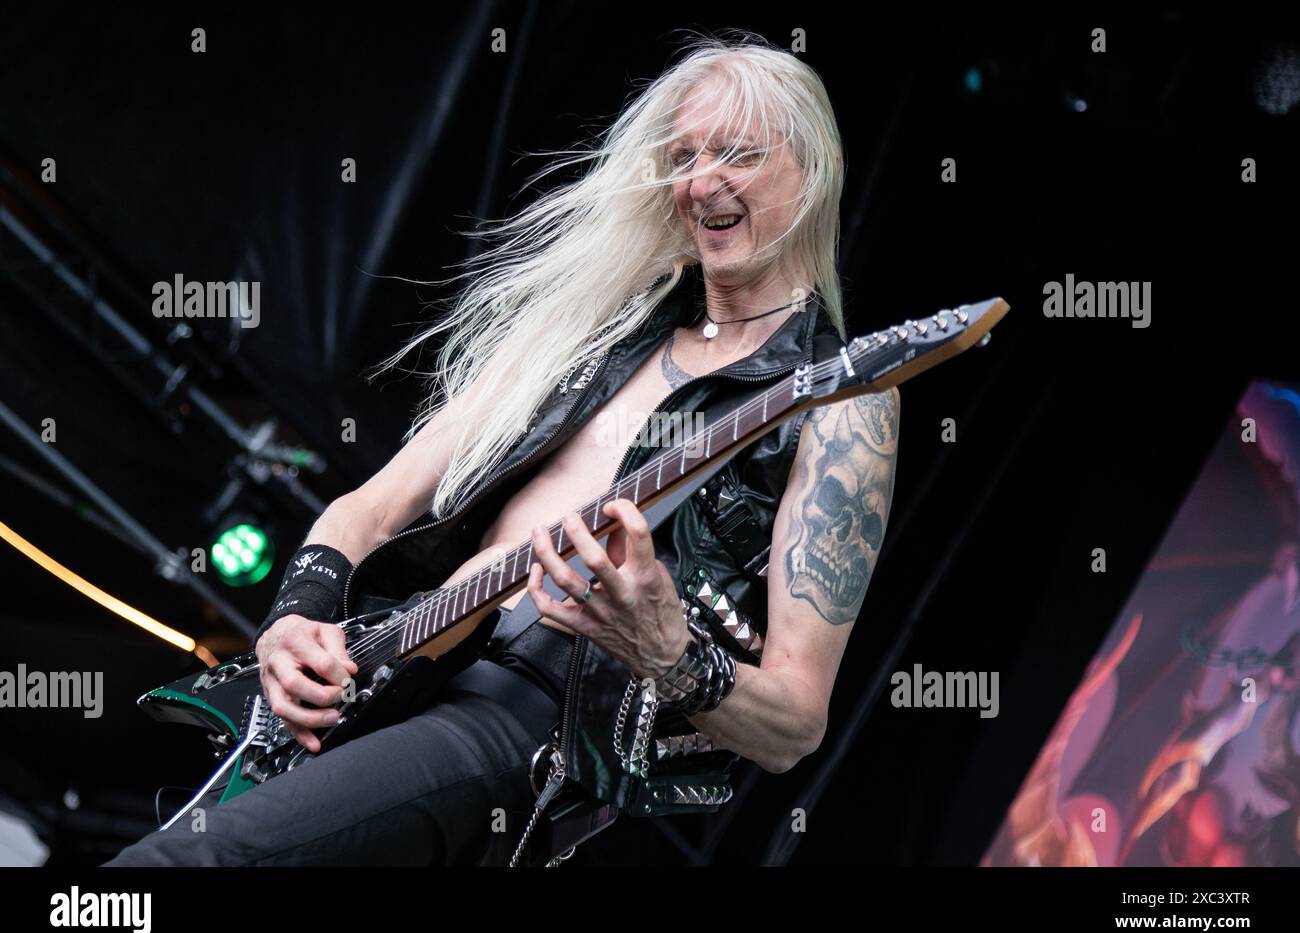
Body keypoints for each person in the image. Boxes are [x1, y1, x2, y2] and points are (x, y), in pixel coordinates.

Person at [104, 32, 899, 867]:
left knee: (177, 867)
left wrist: (671, 653)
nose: (702, 182)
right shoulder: (599, 335)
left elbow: (793, 726)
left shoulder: (844, 406)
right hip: (394, 673)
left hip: (518, 722)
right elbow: (371, 507)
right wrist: (295, 614)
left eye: (735, 153)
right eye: (684, 156)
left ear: (817, 166)